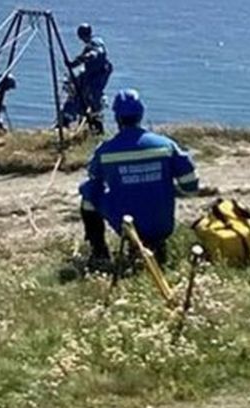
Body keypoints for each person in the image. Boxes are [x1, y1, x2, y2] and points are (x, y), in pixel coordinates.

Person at [78, 89, 200, 268]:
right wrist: (166, 190)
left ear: (117, 118)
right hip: (162, 224)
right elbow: (190, 185)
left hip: (126, 224)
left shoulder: (105, 152)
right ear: (141, 114)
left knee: (88, 194)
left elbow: (93, 181)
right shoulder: (166, 146)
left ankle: (99, 252)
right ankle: (157, 247)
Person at [68, 23, 112, 133]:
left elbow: (97, 52)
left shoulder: (96, 42)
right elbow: (81, 60)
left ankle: (97, 124)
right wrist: (72, 64)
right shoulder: (88, 46)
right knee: (76, 89)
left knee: (93, 96)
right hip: (91, 74)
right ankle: (75, 117)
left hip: (99, 74)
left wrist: (89, 56)